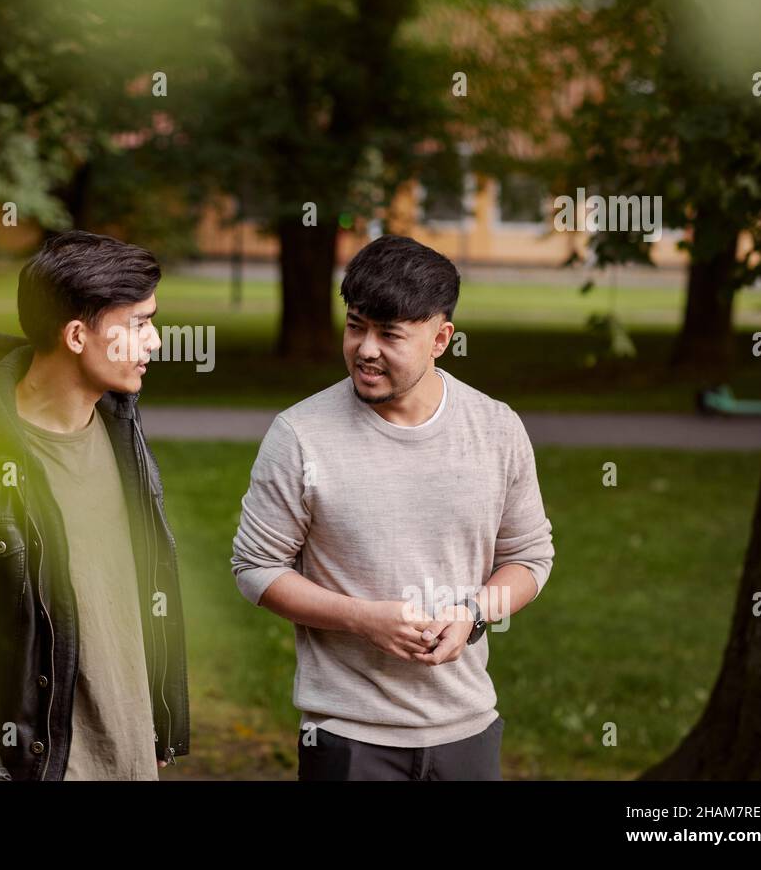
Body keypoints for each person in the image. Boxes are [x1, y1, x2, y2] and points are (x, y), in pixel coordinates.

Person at [230, 234, 555, 780]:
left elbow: (530, 557)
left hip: (468, 730)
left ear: (440, 338)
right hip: (348, 737)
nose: (366, 349)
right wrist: (363, 619)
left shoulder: (497, 428)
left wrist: (475, 613)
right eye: (356, 326)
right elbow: (255, 569)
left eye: (389, 334)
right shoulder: (300, 435)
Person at [0, 230, 189, 780]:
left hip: (131, 754)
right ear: (77, 335)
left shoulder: (120, 426)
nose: (154, 342)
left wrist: (159, 720)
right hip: (47, 767)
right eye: (138, 324)